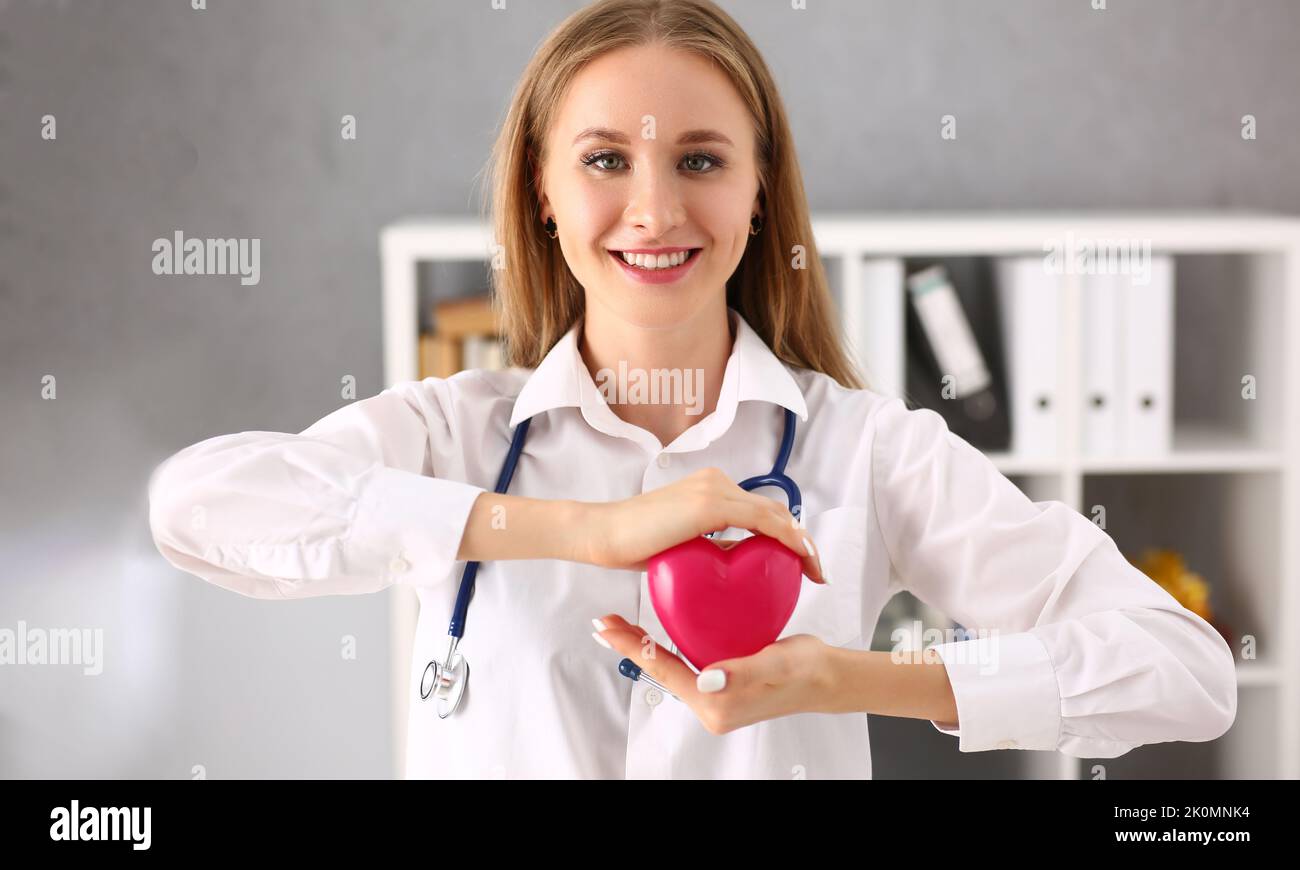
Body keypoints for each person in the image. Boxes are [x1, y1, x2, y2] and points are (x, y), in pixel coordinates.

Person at [148, 0, 1237, 779]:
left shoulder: (867, 451)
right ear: (540, 187)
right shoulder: (453, 430)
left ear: (761, 190)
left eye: (703, 161)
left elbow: (1184, 672)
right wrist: (583, 530)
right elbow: (195, 508)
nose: (656, 211)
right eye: (606, 159)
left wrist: (854, 681)